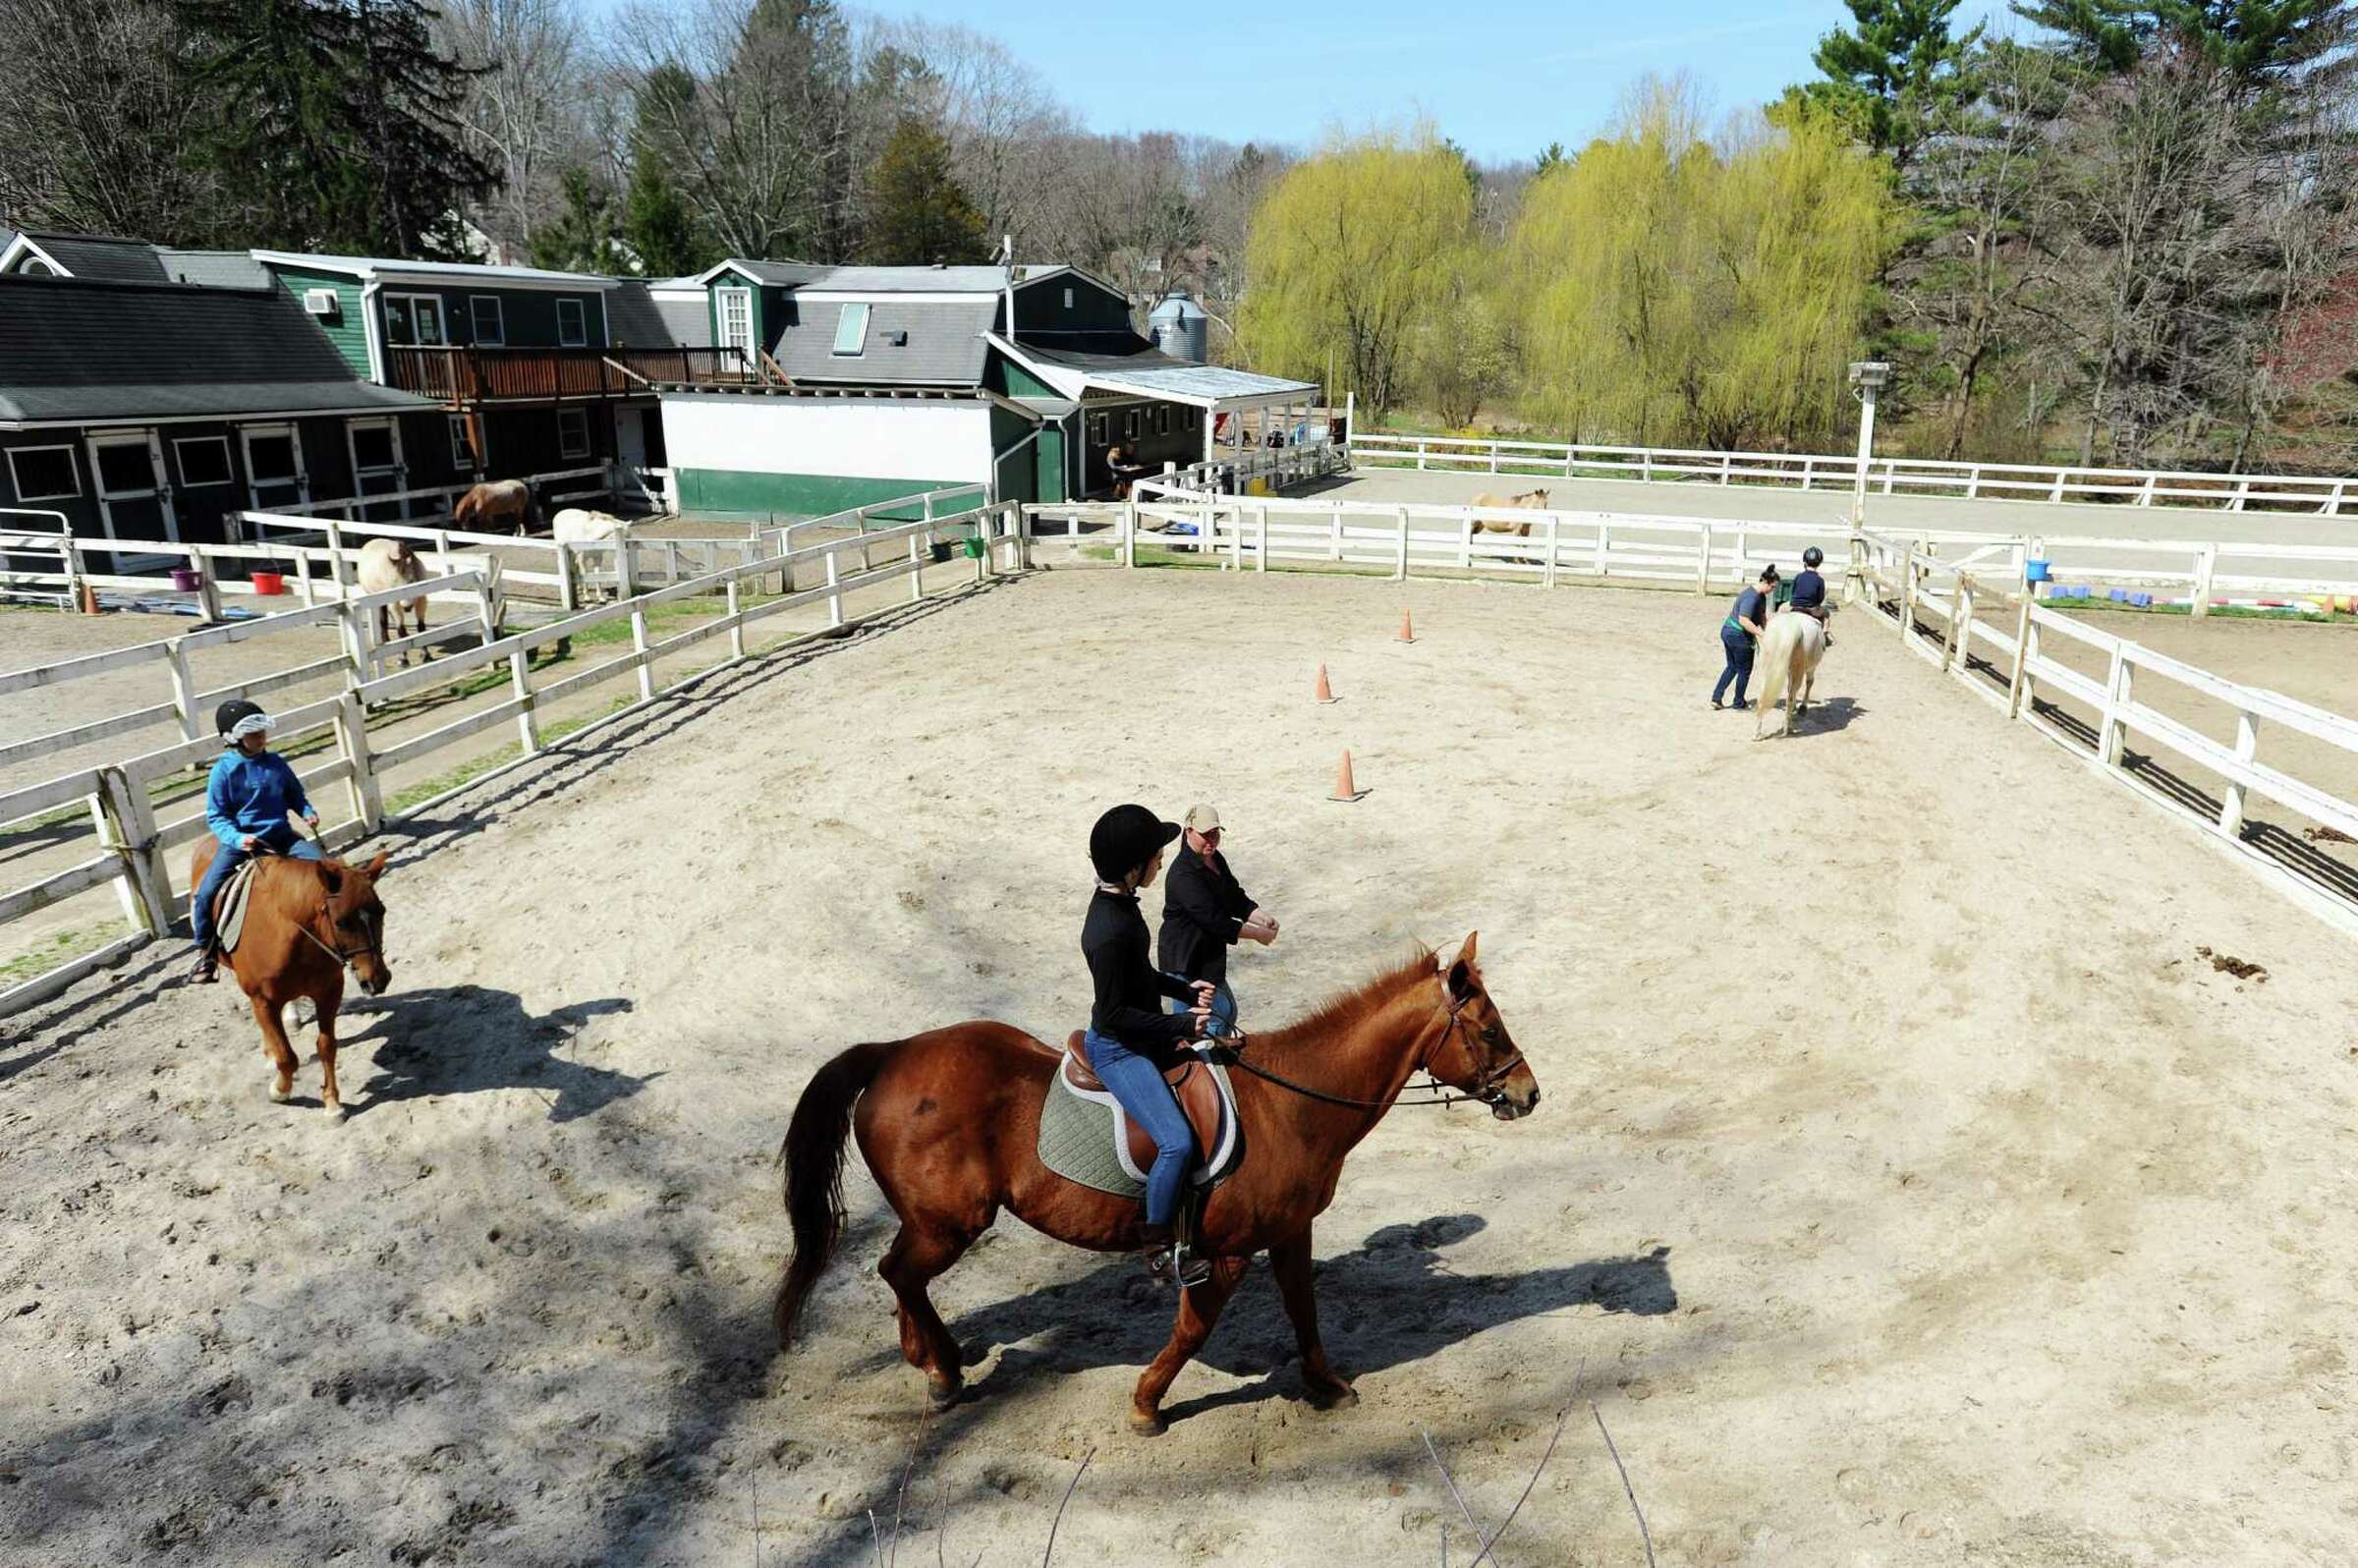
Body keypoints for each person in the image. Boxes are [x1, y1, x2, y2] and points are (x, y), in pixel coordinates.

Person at [1083, 804, 1216, 1285]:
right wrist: (1181, 1028)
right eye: (1155, 857)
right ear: (1132, 867)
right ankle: (1159, 1248)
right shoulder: (1108, 931)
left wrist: (1184, 989)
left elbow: (1140, 977)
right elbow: (1117, 1014)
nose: (1161, 861)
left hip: (1139, 1033)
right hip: (1118, 1049)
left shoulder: (1120, 909)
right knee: (1176, 1142)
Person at [189, 700, 322, 983]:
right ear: (234, 738)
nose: (261, 738)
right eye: (254, 734)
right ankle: (206, 952)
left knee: (327, 869)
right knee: (206, 892)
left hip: (282, 837)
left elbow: (295, 795)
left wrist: (307, 812)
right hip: (243, 843)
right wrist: (238, 838)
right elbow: (218, 816)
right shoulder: (223, 771)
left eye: (262, 732)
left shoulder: (276, 763)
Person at [1157, 805, 1276, 1038]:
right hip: (1185, 960)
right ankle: (1202, 1066)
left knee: (1224, 1012)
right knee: (1201, 1024)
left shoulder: (1214, 859)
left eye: (1215, 834)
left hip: (1208, 956)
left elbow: (1234, 896)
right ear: (1188, 831)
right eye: (1205, 835)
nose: (1211, 841)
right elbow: (1214, 921)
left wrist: (1261, 917)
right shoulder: (1183, 875)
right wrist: (1257, 934)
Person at [1712, 566, 1777, 711]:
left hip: (1728, 631)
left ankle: (1716, 698)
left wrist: (1768, 631)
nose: (1773, 590)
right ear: (1765, 582)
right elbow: (1744, 620)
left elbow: (1762, 617)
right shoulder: (1752, 597)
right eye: (1772, 587)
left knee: (1732, 667)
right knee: (1744, 670)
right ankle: (1738, 702)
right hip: (1738, 635)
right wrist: (1760, 634)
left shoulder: (1760, 596)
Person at [1789, 546, 1833, 644]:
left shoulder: (1798, 576)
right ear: (1819, 563)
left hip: (1796, 607)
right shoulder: (1820, 580)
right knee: (1826, 614)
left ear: (1805, 562)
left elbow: (1793, 591)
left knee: (1781, 611)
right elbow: (1820, 599)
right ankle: (1825, 636)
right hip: (1811, 609)